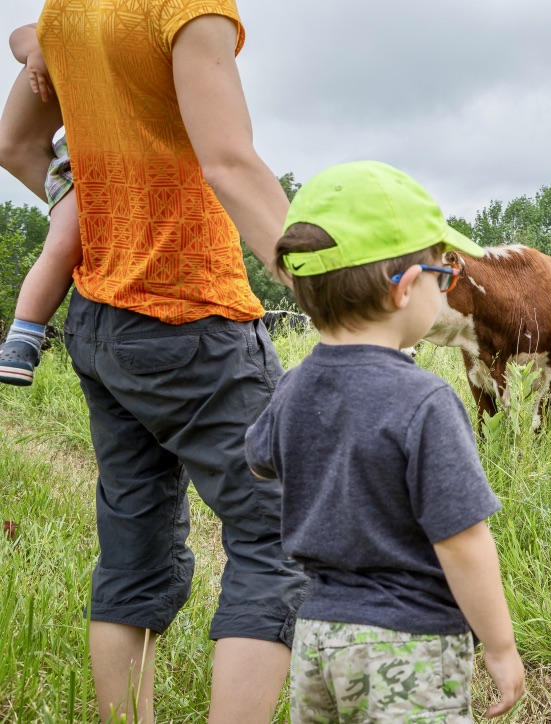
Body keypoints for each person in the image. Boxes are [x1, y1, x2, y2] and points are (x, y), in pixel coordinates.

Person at [35, 2, 307, 722]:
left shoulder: (63, 11)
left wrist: (97, 211)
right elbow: (228, 160)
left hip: (99, 319)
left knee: (132, 548)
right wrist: (326, 288)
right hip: (191, 314)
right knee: (280, 536)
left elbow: (13, 145)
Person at [245, 160, 526, 722]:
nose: (443, 290)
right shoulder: (425, 401)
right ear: (404, 290)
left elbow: (259, 461)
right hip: (410, 643)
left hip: (317, 638)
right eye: (442, 277)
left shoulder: (294, 386)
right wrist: (499, 646)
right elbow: (462, 540)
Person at [0, 22, 81, 386]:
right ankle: (24, 335)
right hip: (80, 165)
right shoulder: (69, 25)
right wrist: (36, 47)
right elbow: (20, 35)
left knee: (70, 241)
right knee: (64, 242)